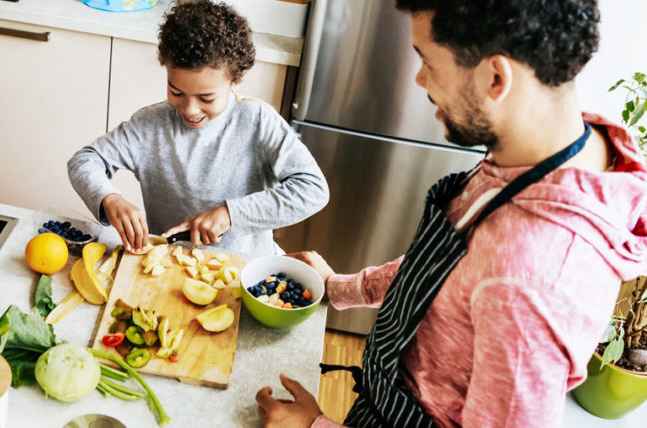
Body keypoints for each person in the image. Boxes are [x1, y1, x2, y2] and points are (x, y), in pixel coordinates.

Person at [255, 1, 647, 427]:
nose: (420, 79)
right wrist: (340, 289)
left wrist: (315, 426)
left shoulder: (528, 280)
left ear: (496, 78)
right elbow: (450, 267)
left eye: (426, 60)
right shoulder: (551, 152)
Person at [67, 0, 329, 255]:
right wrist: (109, 198)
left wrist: (230, 214)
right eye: (176, 91)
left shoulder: (258, 121)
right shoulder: (150, 125)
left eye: (206, 98)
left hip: (245, 268)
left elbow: (313, 190)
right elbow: (84, 160)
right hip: (170, 267)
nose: (190, 109)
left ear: (236, 80)